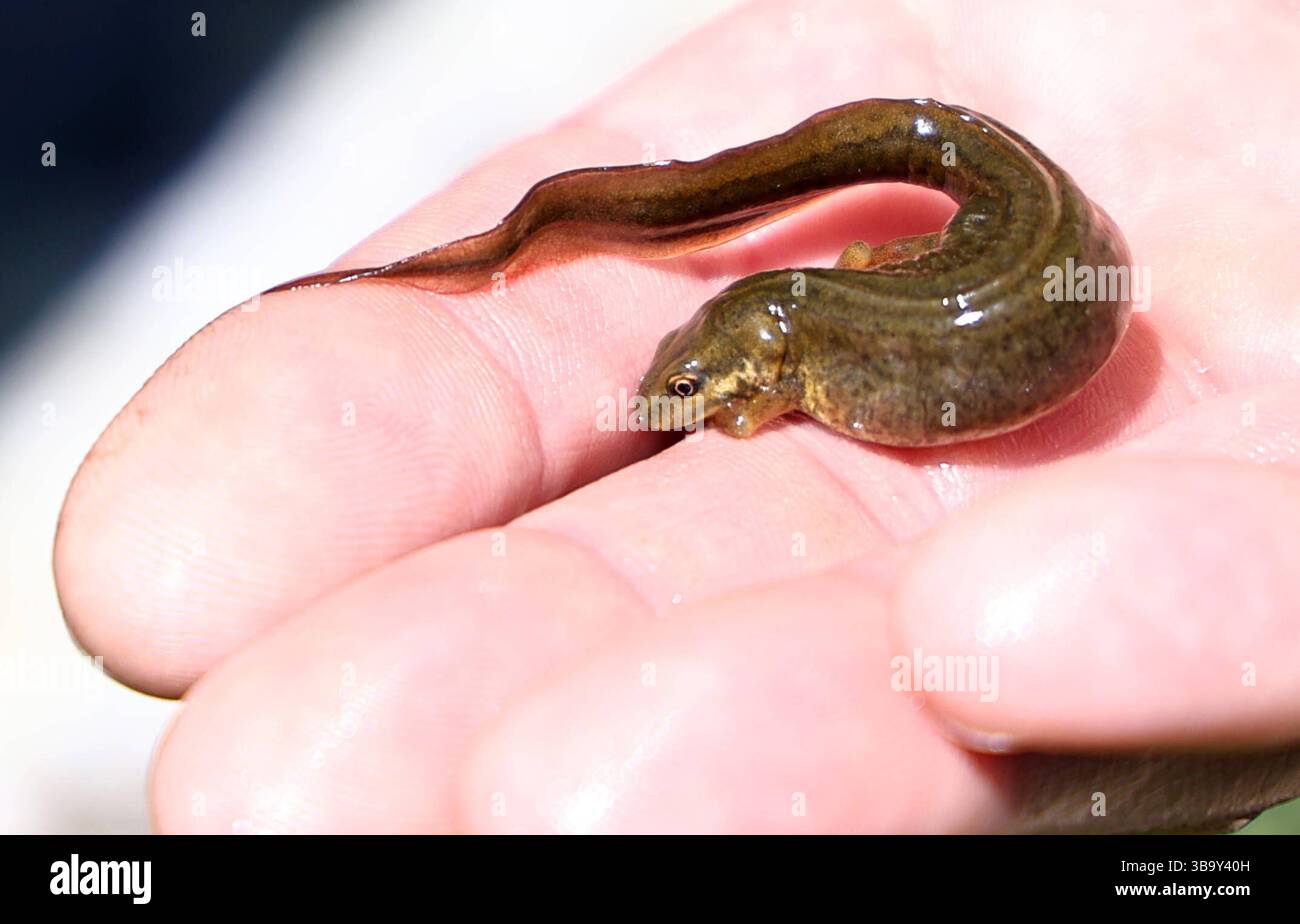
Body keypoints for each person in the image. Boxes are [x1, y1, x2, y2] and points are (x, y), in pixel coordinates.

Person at [53, 0, 1300, 832]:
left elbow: (791, 360)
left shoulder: (820, 342)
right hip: (990, 246)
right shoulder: (804, 311)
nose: (684, 410)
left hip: (1048, 262)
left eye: (702, 393)